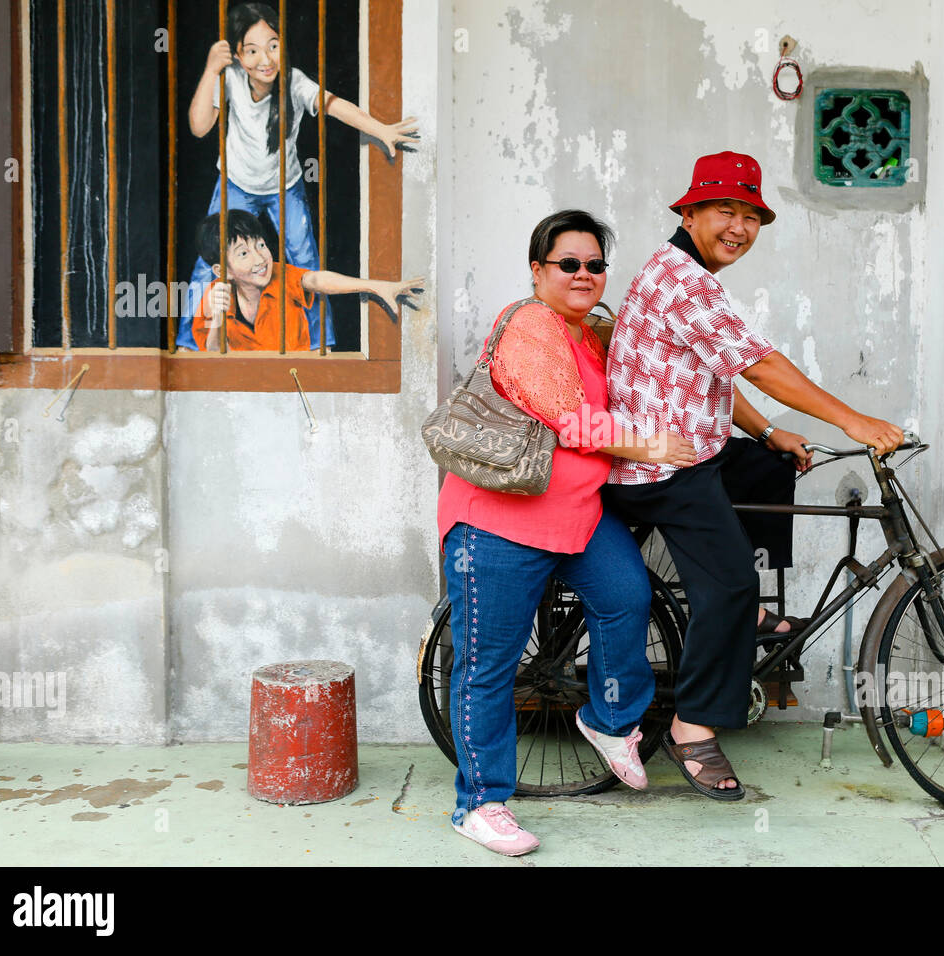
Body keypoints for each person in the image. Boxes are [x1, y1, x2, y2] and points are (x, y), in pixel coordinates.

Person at [604, 151, 905, 800]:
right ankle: (693, 726)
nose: (739, 226)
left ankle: (755, 611)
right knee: (731, 582)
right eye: (725, 211)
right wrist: (852, 421)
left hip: (692, 448)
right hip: (659, 465)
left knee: (769, 465)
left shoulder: (685, 272)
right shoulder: (685, 281)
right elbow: (760, 366)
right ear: (689, 212)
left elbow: (717, 369)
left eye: (750, 215)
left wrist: (769, 431)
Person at [436, 209, 696, 857]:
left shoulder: (591, 334)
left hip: (576, 516)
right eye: (568, 264)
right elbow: (571, 421)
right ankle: (481, 802)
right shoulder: (530, 324)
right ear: (537, 270)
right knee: (488, 668)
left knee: (626, 596)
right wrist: (651, 442)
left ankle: (608, 720)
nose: (584, 275)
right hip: (496, 521)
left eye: (595, 265)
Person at [180, 1, 420, 351]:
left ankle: (319, 345)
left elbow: (335, 104)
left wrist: (379, 129)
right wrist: (210, 69)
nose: (266, 59)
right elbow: (199, 127)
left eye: (273, 45)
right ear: (237, 56)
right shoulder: (229, 78)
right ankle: (190, 343)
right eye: (252, 50)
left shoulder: (293, 81)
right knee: (211, 265)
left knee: (305, 264)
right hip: (235, 183)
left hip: (285, 186)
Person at [190, 210, 422, 351]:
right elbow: (214, 355)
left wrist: (375, 286)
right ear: (223, 270)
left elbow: (316, 280)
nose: (260, 258)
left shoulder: (280, 276)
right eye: (243, 253)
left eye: (260, 245)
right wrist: (218, 318)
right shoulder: (215, 295)